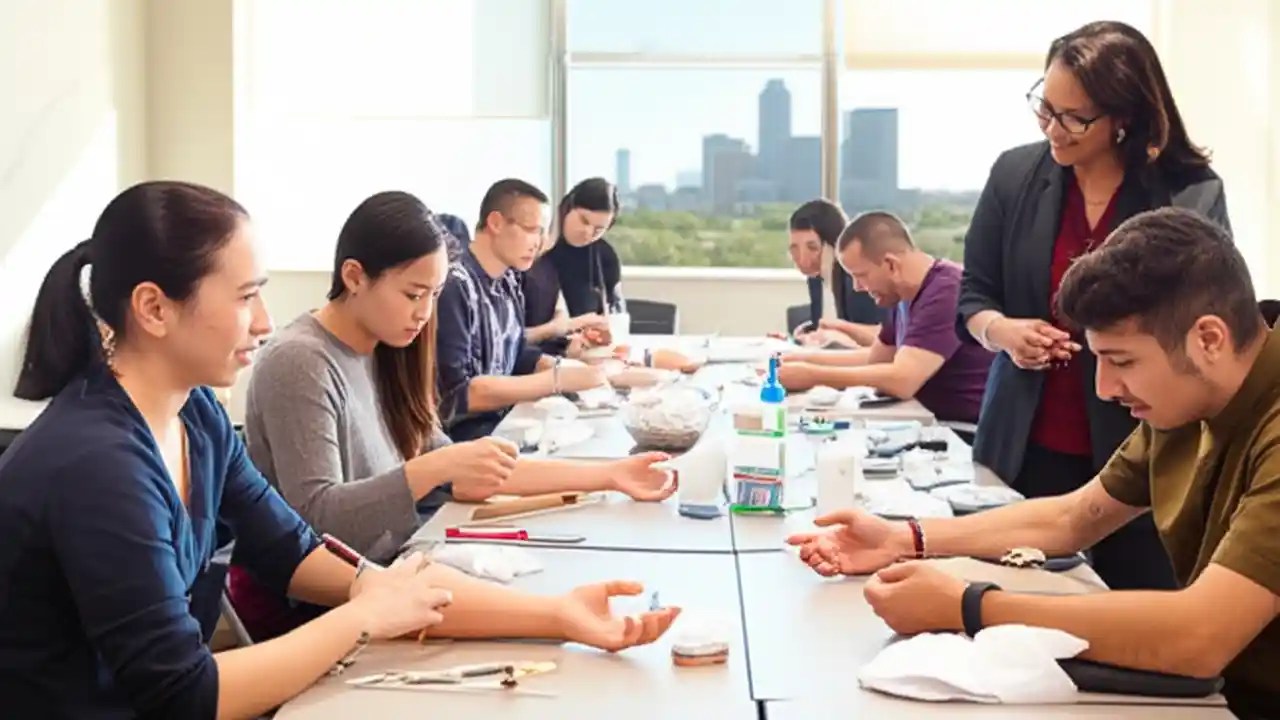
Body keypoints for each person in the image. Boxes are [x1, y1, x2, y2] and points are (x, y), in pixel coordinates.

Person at [0, 182, 677, 719]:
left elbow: (299, 553)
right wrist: (364, 615)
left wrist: (556, 616)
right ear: (153, 308)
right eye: (245, 298)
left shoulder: (197, 416)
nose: (264, 321)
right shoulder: (97, 463)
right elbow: (184, 692)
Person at [788, 208, 1278, 718]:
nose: (1105, 389)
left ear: (1209, 339)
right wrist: (904, 539)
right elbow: (1071, 518)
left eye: (1123, 362)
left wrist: (970, 607)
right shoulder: (1192, 396)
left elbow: (1200, 635)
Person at [236, 191, 677, 637]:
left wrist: (609, 475)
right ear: (354, 276)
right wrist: (432, 468)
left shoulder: (389, 347)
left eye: (434, 295)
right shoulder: (299, 362)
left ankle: (566, 614)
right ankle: (566, 616)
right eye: (413, 294)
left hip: (391, 573)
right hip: (323, 607)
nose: (425, 314)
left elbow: (469, 472)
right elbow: (318, 526)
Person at [955, 21, 1230, 590]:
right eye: (1044, 108)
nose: (1053, 129)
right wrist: (1002, 332)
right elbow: (973, 298)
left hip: (1142, 451)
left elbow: (1209, 316)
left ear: (1123, 118)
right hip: (1025, 443)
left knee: (1136, 617)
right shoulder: (1015, 174)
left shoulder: (1190, 192)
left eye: (1074, 117)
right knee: (1018, 612)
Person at [777, 212, 993, 424]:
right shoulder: (900, 295)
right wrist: (801, 359)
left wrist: (813, 375)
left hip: (963, 433)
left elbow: (902, 380)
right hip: (931, 420)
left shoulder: (946, 291)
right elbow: (877, 359)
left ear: (891, 264)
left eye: (860, 275)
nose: (857, 287)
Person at [436, 178, 609, 441]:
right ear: (495, 223)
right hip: (462, 442)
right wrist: (556, 379)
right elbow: (458, 394)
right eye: (532, 230)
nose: (540, 243)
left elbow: (515, 353)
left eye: (543, 232)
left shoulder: (508, 281)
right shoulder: (454, 285)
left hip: (505, 426)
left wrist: (564, 366)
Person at [522, 177, 618, 354]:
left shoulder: (604, 257)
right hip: (532, 358)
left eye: (599, 229)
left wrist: (592, 336)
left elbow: (609, 312)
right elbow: (505, 338)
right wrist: (564, 327)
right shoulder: (531, 254)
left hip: (579, 356)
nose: (588, 233)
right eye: (584, 221)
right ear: (567, 208)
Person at [785, 199, 881, 347]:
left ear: (835, 245)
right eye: (794, 248)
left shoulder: (857, 279)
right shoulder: (816, 278)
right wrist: (800, 333)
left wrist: (836, 333)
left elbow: (883, 335)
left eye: (812, 248)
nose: (802, 259)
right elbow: (826, 323)